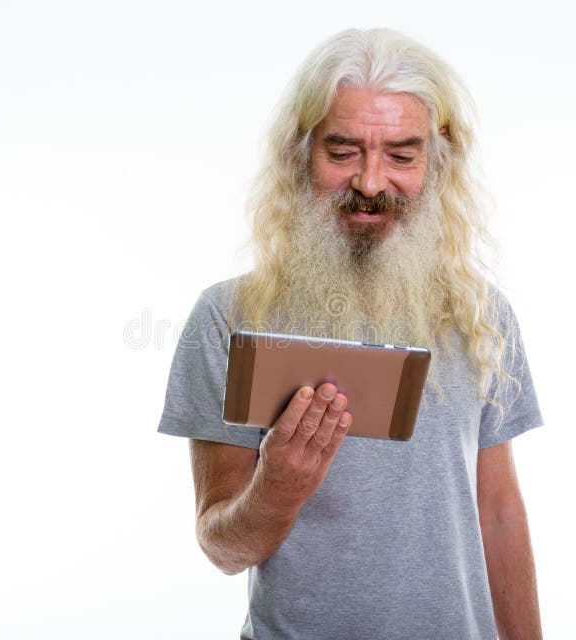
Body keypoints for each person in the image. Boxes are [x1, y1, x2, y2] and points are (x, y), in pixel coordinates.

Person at [158, 28, 544, 640]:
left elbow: (497, 515)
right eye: (342, 152)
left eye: (401, 154)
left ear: (437, 160)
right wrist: (277, 489)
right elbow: (222, 549)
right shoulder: (226, 316)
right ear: (300, 152)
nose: (370, 182)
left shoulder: (482, 313)